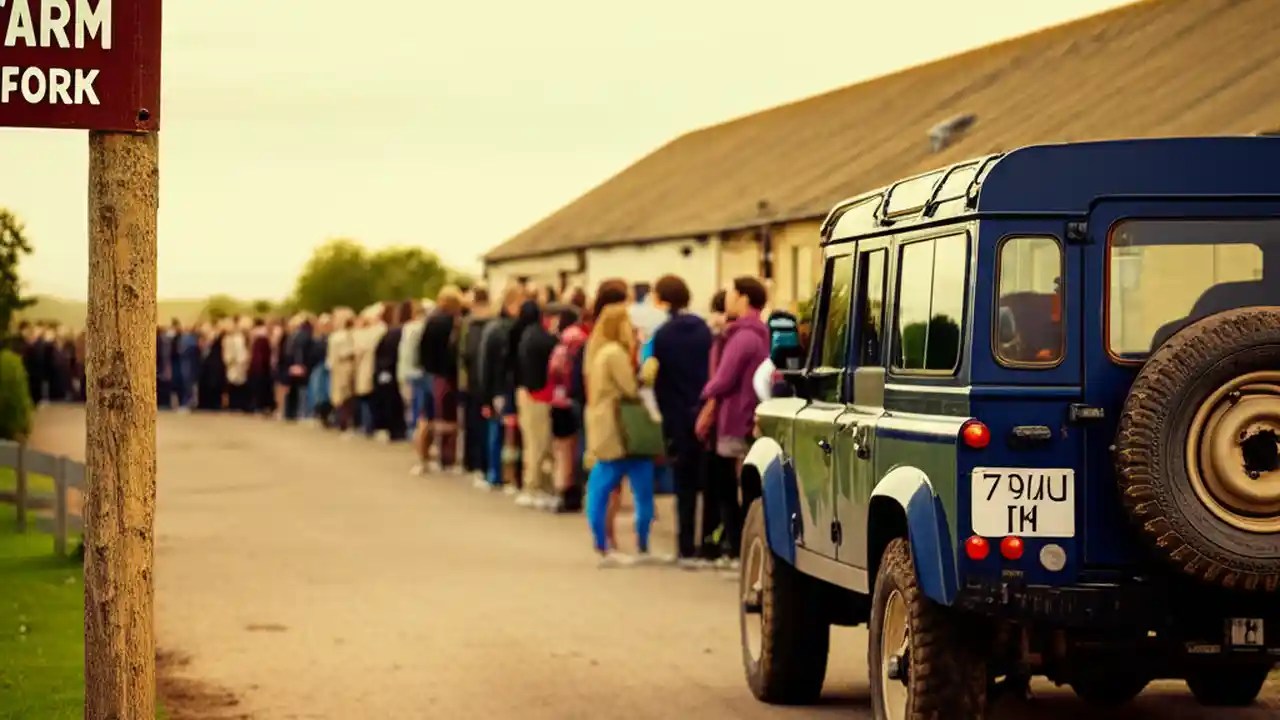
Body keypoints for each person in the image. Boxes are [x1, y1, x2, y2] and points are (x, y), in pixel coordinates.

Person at [644, 274, 714, 566]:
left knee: (683, 484)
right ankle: (709, 542)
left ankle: (685, 546)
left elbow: (657, 380)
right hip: (705, 414)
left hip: (676, 416)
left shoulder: (662, 335)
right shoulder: (705, 330)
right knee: (709, 483)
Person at [699, 277, 770, 564]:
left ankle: (740, 550)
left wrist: (707, 393)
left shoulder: (742, 336)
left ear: (742, 298)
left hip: (735, 418)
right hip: (748, 415)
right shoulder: (759, 332)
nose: (727, 298)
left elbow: (723, 379)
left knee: (732, 488)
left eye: (730, 293)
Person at [583, 303, 655, 567]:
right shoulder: (615, 354)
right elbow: (630, 388)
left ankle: (601, 542)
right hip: (623, 431)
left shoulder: (599, 352)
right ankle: (641, 543)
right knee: (640, 489)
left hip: (606, 429)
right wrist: (646, 374)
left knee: (599, 486)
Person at [476, 283, 525, 491]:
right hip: (509, 388)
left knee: (498, 433)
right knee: (509, 434)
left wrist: (485, 395)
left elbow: (484, 364)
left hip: (498, 388)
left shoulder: (493, 328)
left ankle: (495, 474)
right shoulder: (515, 329)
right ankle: (507, 476)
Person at [514, 298, 559, 510]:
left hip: (525, 393)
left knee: (531, 443)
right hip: (540, 396)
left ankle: (535, 485)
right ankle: (534, 487)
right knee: (539, 445)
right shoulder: (544, 339)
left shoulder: (525, 336)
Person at [547, 293, 587, 512]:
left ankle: (560, 489)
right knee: (572, 450)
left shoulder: (559, 346)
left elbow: (552, 373)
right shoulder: (580, 340)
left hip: (557, 401)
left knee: (561, 450)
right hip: (571, 401)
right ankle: (571, 492)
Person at [421, 286, 464, 471]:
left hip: (432, 374)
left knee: (431, 416)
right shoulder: (454, 323)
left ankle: (430, 453)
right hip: (448, 375)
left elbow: (423, 349)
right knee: (449, 417)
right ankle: (447, 456)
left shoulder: (431, 321)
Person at [458, 286, 493, 484]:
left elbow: (466, 353)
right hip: (485, 380)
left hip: (473, 381)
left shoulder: (469, 324)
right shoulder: (492, 320)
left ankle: (474, 462)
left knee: (474, 424)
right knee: (486, 424)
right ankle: (483, 463)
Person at [399, 299, 431, 468]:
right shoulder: (419, 329)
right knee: (422, 416)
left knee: (415, 415)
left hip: (408, 374)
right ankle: (422, 455)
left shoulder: (407, 329)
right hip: (420, 374)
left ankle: (420, 455)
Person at [374, 303, 407, 442]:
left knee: (391, 402)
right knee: (393, 402)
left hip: (387, 371)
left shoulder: (390, 333)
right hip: (392, 370)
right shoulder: (395, 333)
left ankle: (394, 429)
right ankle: (396, 429)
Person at [327, 309, 358, 432]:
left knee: (342, 396)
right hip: (343, 368)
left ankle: (343, 421)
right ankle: (344, 422)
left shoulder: (337, 336)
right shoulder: (342, 336)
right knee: (344, 396)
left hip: (339, 368)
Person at [223, 317, 252, 413]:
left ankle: (237, 404)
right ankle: (234, 404)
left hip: (237, 363)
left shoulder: (238, 338)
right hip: (235, 363)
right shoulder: (233, 338)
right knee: (234, 384)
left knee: (238, 384)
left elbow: (241, 352)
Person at [197, 320, 226, 410]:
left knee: (213, 384)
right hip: (210, 364)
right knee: (209, 384)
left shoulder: (214, 337)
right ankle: (209, 403)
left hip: (212, 364)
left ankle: (212, 403)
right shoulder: (208, 337)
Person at [248, 318, 275, 415]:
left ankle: (258, 405)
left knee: (258, 387)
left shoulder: (258, 338)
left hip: (258, 366)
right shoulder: (265, 338)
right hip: (263, 366)